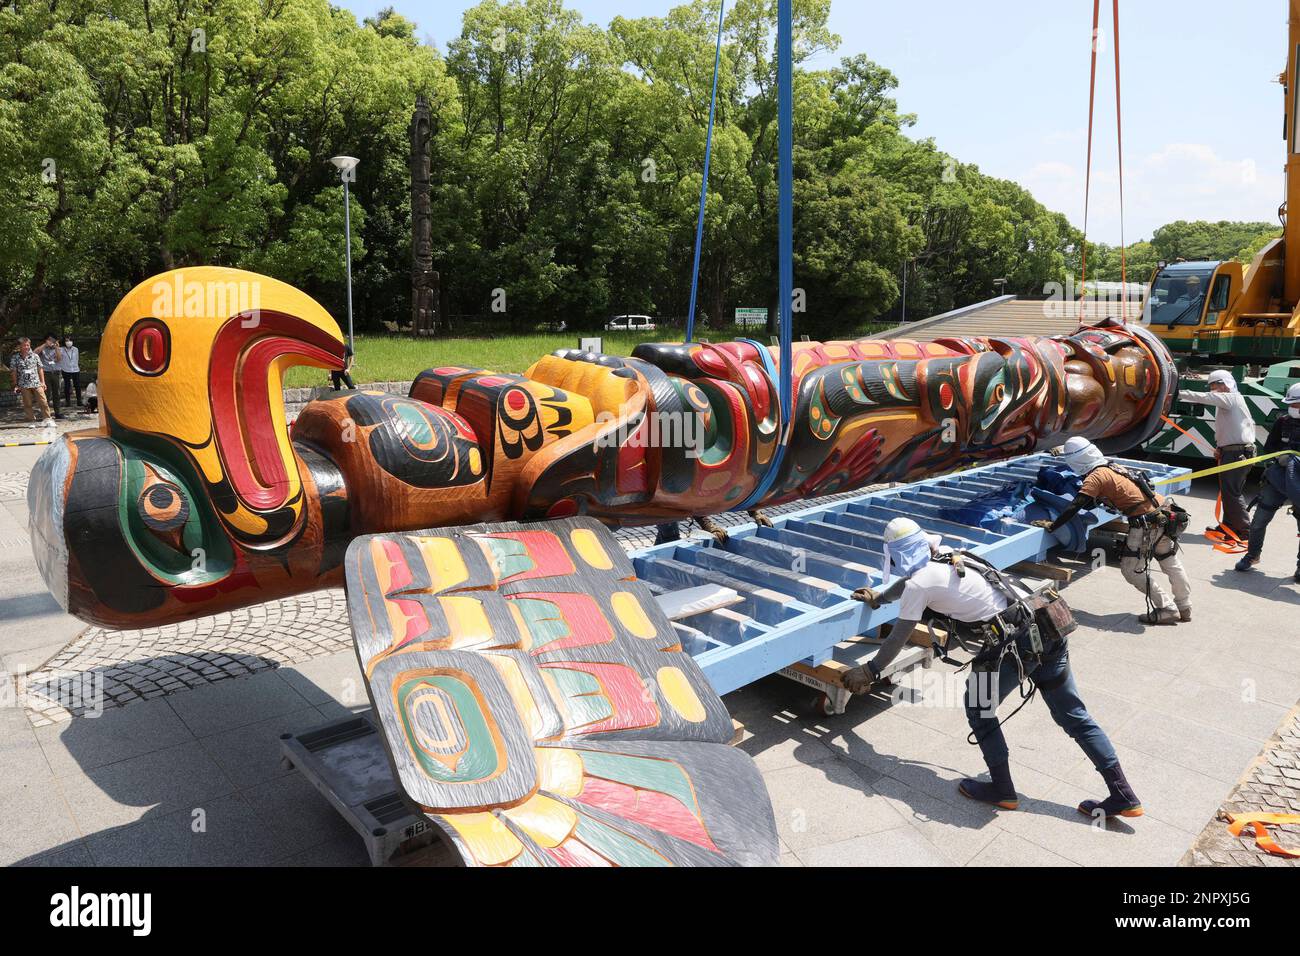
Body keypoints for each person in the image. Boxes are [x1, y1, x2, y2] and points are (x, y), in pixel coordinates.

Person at [842, 517, 1141, 819]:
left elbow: (900, 633)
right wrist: (880, 598)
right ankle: (1123, 794)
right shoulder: (951, 555)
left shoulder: (920, 583)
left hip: (1014, 645)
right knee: (1074, 716)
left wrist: (871, 671)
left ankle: (1002, 790)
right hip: (1047, 624)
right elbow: (913, 581)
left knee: (979, 708)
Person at [1034, 436, 1191, 626]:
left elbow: (1075, 506)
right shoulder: (1111, 466)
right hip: (1165, 512)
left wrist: (1053, 525)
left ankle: (1167, 609)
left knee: (1131, 570)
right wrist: (1062, 448)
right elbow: (1080, 451)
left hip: (1147, 523)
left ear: (1076, 462)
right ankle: (1184, 606)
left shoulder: (1095, 477)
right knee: (1169, 560)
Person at [1179, 369, 1255, 541]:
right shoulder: (1229, 401)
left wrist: (1178, 394)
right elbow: (1229, 428)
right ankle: (1229, 527)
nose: (1213, 389)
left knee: (1232, 493)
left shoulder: (1231, 398)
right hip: (1233, 451)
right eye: (1211, 385)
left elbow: (1204, 398)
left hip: (1237, 453)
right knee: (1228, 492)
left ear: (1226, 384)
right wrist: (1221, 447)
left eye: (1215, 385)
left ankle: (1246, 530)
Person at [1235, 383, 1300, 582]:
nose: (1293, 408)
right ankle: (1252, 555)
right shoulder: (1283, 422)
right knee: (1259, 521)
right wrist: (1277, 460)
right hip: (1278, 478)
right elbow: (1270, 447)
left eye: (1296, 405)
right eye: (1292, 405)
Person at [9, 337, 54, 425]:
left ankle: (47, 419)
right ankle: (31, 420)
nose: (26, 347)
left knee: (43, 401)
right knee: (27, 403)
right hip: (23, 384)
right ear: (19, 346)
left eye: (28, 345)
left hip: (36, 383)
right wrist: (15, 384)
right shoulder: (15, 357)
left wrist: (43, 382)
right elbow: (13, 371)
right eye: (24, 345)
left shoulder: (34, 356)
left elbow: (40, 369)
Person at [35, 334, 62, 419]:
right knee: (47, 394)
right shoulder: (42, 348)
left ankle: (58, 412)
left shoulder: (57, 348)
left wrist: (57, 347)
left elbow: (58, 359)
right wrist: (45, 345)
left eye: (53, 340)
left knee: (57, 394)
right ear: (46, 340)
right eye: (50, 340)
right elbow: (34, 353)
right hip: (46, 373)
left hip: (56, 373)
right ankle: (46, 414)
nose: (52, 342)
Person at [59, 336, 82, 407]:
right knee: (67, 386)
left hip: (75, 369)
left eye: (70, 340)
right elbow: (59, 359)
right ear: (64, 342)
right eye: (66, 341)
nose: (68, 342)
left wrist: (75, 366)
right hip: (66, 369)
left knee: (77, 386)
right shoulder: (61, 349)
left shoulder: (76, 349)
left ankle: (79, 401)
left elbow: (77, 359)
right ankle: (68, 402)